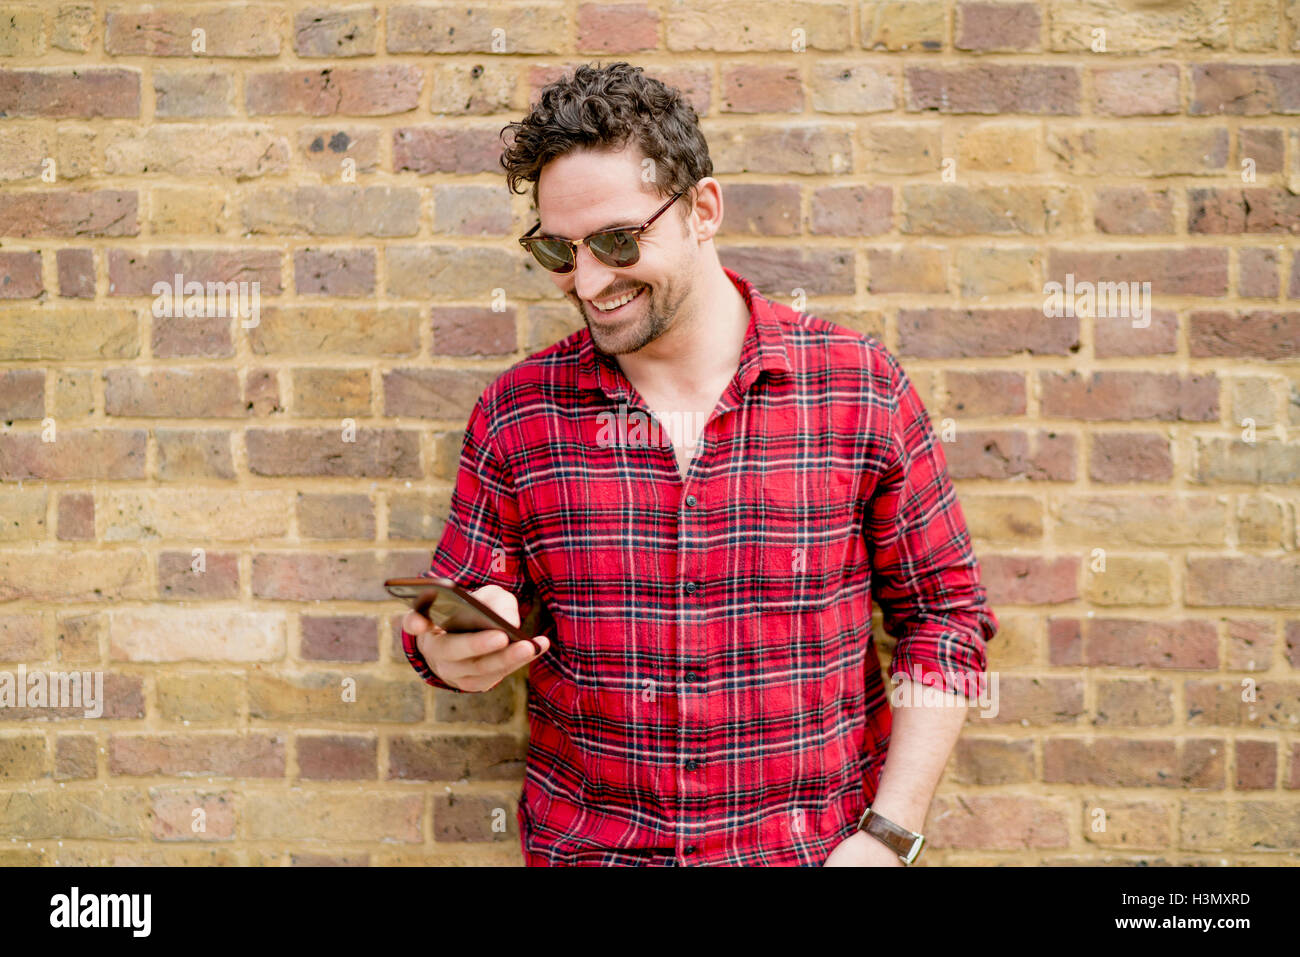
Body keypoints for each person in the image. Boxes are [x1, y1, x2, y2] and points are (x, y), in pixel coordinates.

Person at [400, 61, 999, 866]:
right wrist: (448, 654)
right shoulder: (519, 413)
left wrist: (889, 837)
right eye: (557, 250)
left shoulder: (856, 385)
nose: (588, 279)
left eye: (616, 239)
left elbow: (944, 618)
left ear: (702, 210)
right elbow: (462, 606)